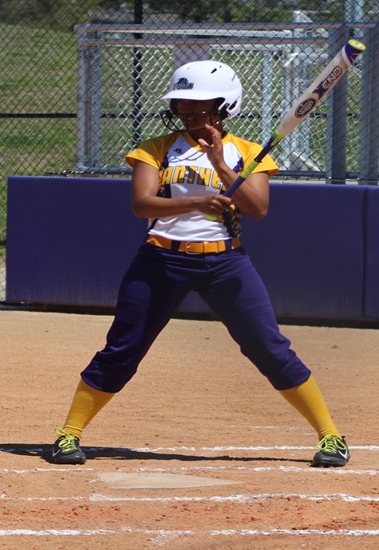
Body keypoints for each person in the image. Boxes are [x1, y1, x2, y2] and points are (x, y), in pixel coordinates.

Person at [48, 60, 349, 468]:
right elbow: (142, 205)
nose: (186, 111)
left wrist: (221, 165)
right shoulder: (155, 148)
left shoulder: (247, 154)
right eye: (181, 104)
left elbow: (257, 209)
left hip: (226, 263)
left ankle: (331, 436)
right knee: (123, 348)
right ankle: (69, 434)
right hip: (160, 260)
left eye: (197, 104)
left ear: (225, 106)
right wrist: (197, 202)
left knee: (269, 348)